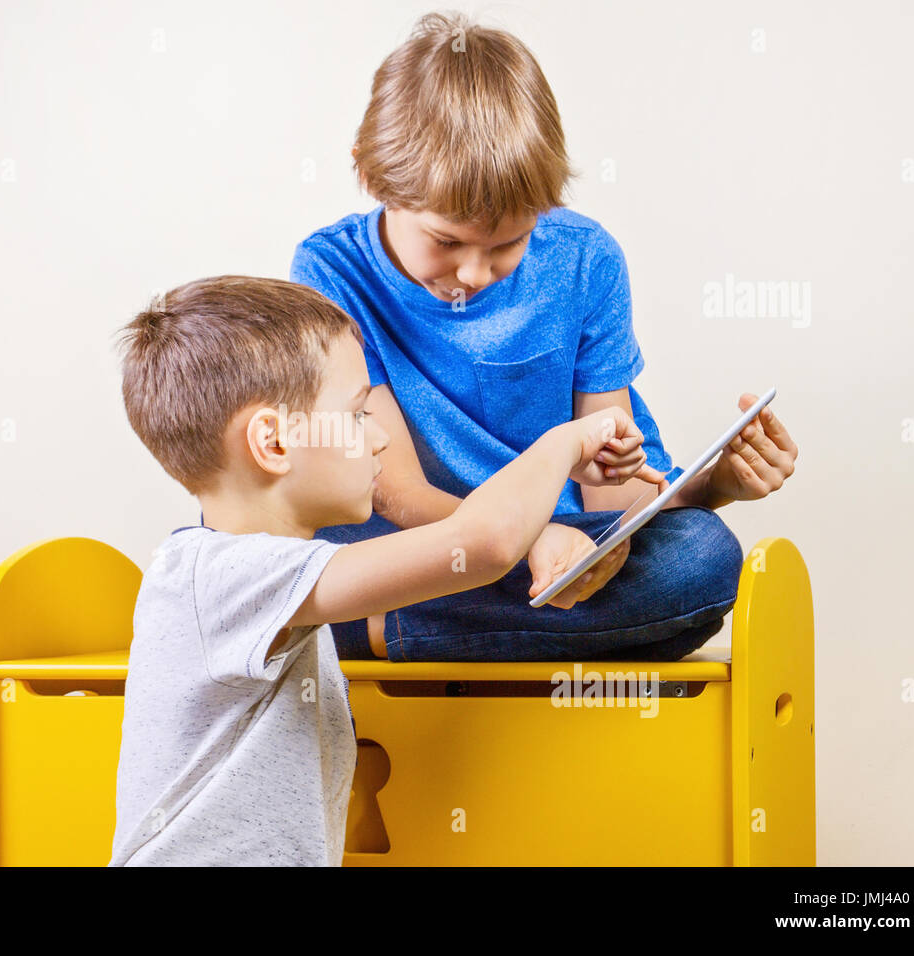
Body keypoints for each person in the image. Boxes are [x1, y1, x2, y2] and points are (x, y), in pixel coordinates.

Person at [290, 11, 797, 663]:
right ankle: (435, 625)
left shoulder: (585, 260)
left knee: (702, 556)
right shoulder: (331, 270)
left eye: (508, 244)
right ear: (370, 176)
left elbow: (613, 491)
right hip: (417, 546)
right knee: (265, 545)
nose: (474, 273)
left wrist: (713, 483)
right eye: (446, 241)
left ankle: (372, 631)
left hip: (559, 543)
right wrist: (516, 541)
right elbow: (395, 490)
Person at [108, 275, 650, 865]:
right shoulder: (217, 575)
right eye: (359, 413)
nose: (383, 435)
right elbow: (485, 543)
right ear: (273, 442)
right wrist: (567, 442)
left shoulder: (264, 577)